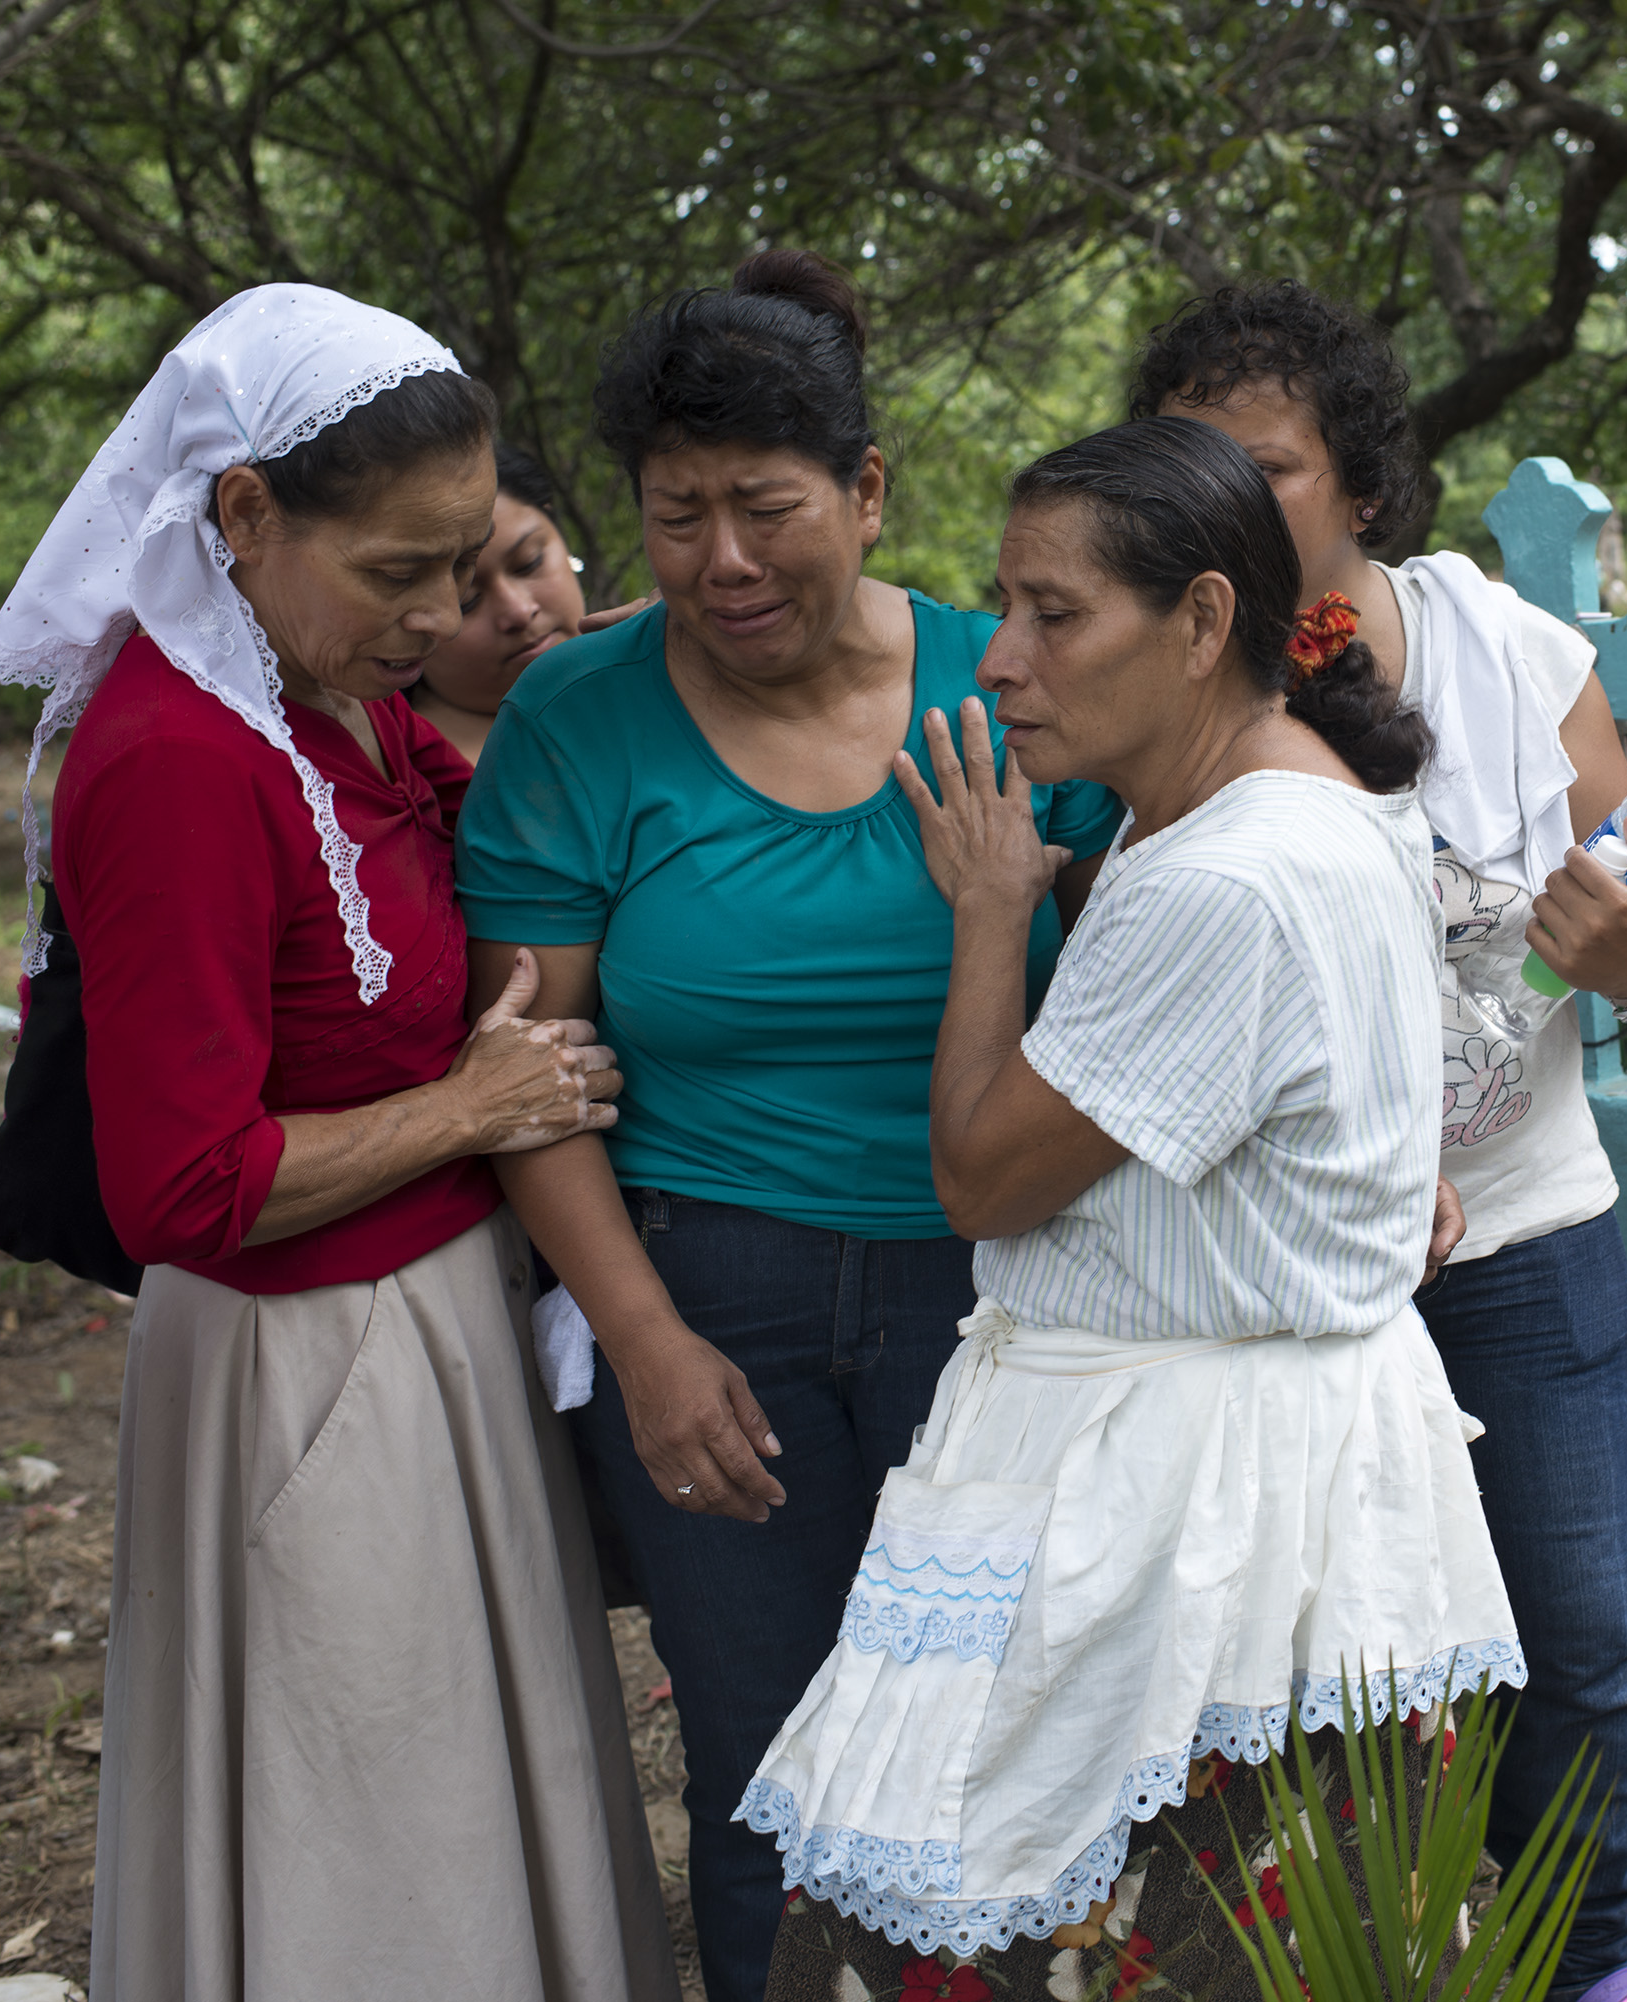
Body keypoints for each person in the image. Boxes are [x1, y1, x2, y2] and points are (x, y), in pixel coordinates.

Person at [741, 417, 1522, 1992]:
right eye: (1003, 607)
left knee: (1041, 1922)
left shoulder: (1219, 876)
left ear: (1206, 621)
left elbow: (981, 1173)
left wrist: (988, 909)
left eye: (1057, 614)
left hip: (1189, 1509)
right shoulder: (1304, 801)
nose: (1005, 661)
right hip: (1274, 1462)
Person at [0, 284, 672, 1999]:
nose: (440, 613)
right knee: (374, 1841)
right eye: (399, 574)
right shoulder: (177, 759)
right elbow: (184, 1183)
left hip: (419, 1338)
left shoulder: (331, 698)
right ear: (244, 513)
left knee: (451, 1798)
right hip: (309, 1374)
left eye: (465, 562)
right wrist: (466, 1109)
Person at [453, 250, 1125, 2002]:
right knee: (770, 1772)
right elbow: (532, 1072)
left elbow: (1170, 975)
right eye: (678, 519)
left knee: (1000, 1750)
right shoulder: (576, 720)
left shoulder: (1020, 685)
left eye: (766, 508)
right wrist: (645, 1338)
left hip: (1004, 1299)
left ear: (870, 488)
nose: (723, 564)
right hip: (710, 1297)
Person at [1135, 282, 1627, 2002]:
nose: (1234, 499)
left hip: (1521, 1240)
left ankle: (1588, 1971)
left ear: (1363, 485)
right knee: (1317, 1681)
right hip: (1291, 1280)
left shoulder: (1516, 656)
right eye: (1195, 465)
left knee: (1577, 1644)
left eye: (1275, 465)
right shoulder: (1155, 684)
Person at [407, 440, 589, 761]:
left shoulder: (667, 666)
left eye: (529, 563)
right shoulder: (417, 784)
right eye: (467, 602)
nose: (518, 611)